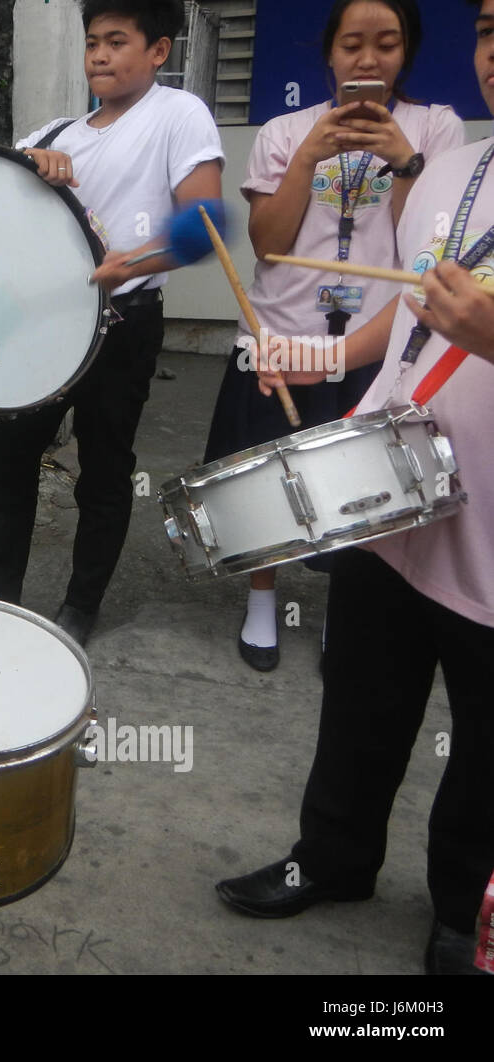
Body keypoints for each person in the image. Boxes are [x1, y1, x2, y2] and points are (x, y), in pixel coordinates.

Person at [216, 0, 494, 976]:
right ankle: (331, 857)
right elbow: (412, 308)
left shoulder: (432, 145)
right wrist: (320, 352)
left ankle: (463, 907)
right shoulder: (453, 173)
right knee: (361, 694)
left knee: (484, 732)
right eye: (491, 29)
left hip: (493, 517)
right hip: (392, 472)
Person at [202, 0, 464, 671]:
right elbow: (266, 247)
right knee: (263, 477)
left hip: (374, 347)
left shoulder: (435, 129)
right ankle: (262, 602)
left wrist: (407, 166)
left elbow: (429, 253)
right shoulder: (286, 130)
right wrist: (308, 159)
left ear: (407, 52)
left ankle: (337, 617)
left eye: (386, 44)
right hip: (281, 337)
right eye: (352, 45)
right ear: (329, 54)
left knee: (359, 494)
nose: (368, 61)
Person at [0, 0, 224, 646]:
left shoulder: (178, 115)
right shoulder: (54, 135)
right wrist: (33, 168)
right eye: (91, 43)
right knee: (9, 460)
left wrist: (131, 261)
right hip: (44, 323)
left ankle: (80, 606)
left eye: (117, 41)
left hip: (123, 321)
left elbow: (206, 229)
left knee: (105, 469)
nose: (100, 56)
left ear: (159, 51)